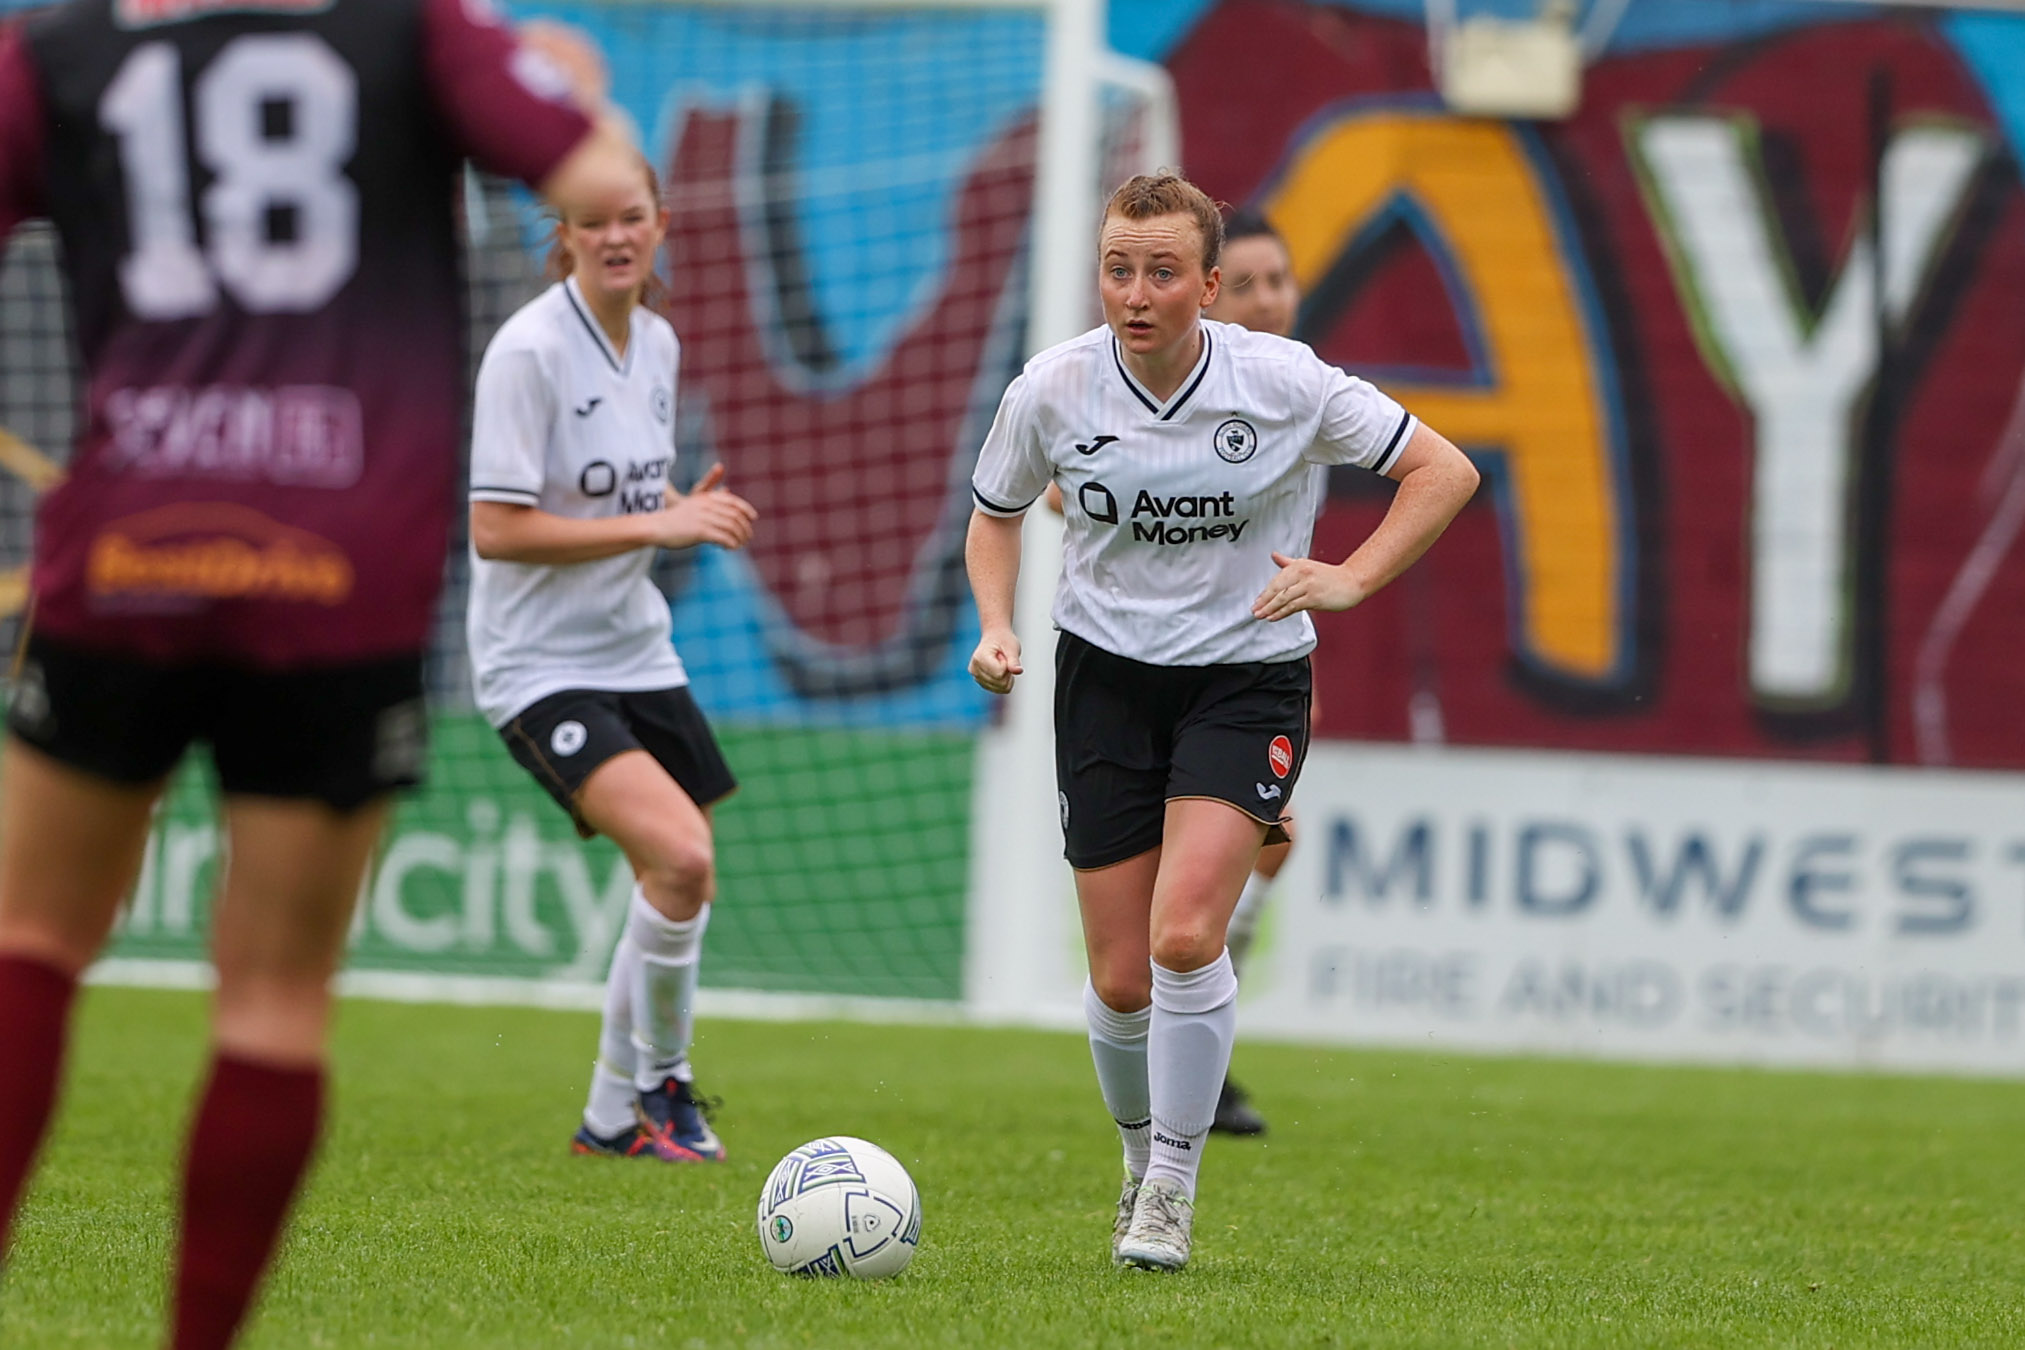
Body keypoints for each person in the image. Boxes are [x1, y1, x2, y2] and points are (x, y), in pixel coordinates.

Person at [0, 4, 642, 1346]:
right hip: (336, 570)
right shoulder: (411, 33)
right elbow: (596, 181)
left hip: (131, 550)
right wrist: (576, 81)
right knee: (275, 1000)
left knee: (32, 946)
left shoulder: (61, 55)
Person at [966, 173, 1478, 1271]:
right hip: (1104, 678)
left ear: (1208, 284)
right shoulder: (1051, 390)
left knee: (1187, 935)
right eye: (1117, 268)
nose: (1136, 293)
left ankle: (1173, 1191)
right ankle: (1138, 1156)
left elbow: (1444, 468)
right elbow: (996, 515)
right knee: (1117, 978)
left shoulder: (1282, 381)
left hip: (1245, 678)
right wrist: (997, 626)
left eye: (1161, 273)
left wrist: (1351, 578)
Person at [466, 152, 756, 1165]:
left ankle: (607, 1117)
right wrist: (663, 526)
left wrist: (668, 513)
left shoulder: (661, 345)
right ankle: (659, 1088)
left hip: (633, 645)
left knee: (672, 871)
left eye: (631, 217)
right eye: (594, 224)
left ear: (661, 223)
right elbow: (497, 531)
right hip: (536, 663)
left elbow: (630, 504)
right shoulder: (529, 353)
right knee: (681, 859)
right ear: (566, 237)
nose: (616, 236)